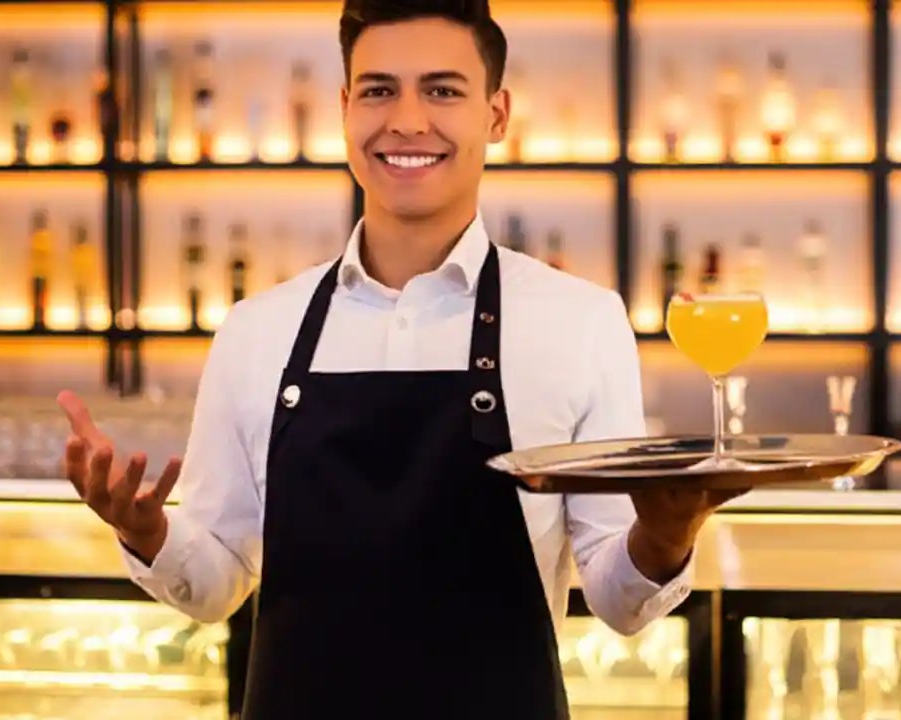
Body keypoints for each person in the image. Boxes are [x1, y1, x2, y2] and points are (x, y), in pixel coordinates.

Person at [58, 0, 744, 717]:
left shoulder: (580, 321)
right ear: (345, 108)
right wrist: (148, 533)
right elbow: (216, 581)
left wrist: (663, 536)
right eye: (380, 89)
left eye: (443, 90)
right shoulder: (257, 330)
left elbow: (617, 599)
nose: (408, 120)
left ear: (496, 114)